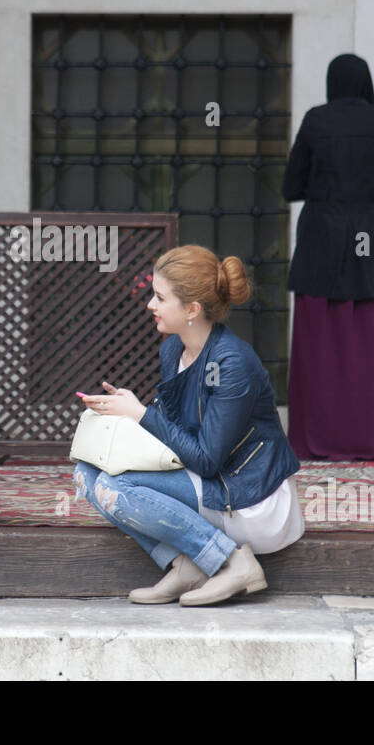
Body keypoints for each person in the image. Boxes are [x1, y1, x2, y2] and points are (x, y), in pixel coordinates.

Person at [73, 245, 304, 607]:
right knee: (88, 472)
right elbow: (178, 433)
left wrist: (141, 414)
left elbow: (208, 459)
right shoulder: (173, 350)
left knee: (118, 486)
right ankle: (185, 564)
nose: (150, 304)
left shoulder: (233, 363)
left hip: (248, 496)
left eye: (160, 297)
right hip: (209, 481)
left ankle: (233, 561)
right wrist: (125, 410)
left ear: (192, 309)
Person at [282, 53, 374, 461]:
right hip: (373, 239)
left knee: (319, 345)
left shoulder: (316, 120)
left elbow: (291, 186)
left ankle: (316, 441)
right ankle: (366, 441)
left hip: (322, 239)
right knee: (369, 345)